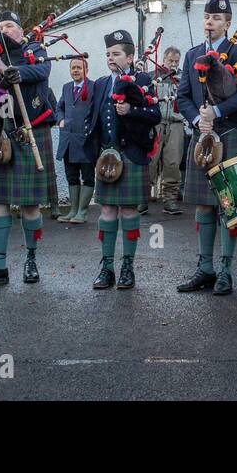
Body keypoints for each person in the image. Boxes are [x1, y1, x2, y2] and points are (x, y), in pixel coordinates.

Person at [174, 0, 237, 296]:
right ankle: (205, 268)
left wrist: (217, 112)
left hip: (230, 131)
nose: (209, 22)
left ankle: (226, 270)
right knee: (203, 204)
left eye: (216, 18)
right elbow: (182, 96)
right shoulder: (192, 54)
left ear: (227, 23)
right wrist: (197, 120)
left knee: (228, 203)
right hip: (203, 134)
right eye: (206, 17)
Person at [0, 10, 57, 288]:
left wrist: (13, 69)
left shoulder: (35, 50)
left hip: (31, 133)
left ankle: (31, 260)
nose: (5, 30)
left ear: (21, 31)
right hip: (1, 136)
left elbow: (42, 70)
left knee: (30, 206)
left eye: (10, 26)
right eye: (1, 26)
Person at [88, 30, 161, 289]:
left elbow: (155, 115)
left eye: (116, 54)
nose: (111, 58)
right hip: (107, 157)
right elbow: (95, 121)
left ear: (130, 57)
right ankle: (107, 267)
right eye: (108, 54)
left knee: (129, 211)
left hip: (131, 153)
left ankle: (127, 266)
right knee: (106, 211)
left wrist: (132, 110)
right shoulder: (99, 84)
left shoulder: (143, 80)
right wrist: (94, 153)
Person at [55, 55, 98, 225]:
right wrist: (60, 119)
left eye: (79, 67)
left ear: (86, 70)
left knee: (87, 177)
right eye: (73, 68)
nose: (76, 71)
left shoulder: (94, 87)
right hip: (68, 141)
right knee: (71, 176)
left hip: (86, 141)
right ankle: (73, 210)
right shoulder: (66, 87)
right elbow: (59, 107)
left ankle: (83, 212)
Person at [151, 46, 185, 216]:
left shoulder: (183, 78)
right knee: (151, 161)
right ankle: (142, 198)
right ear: (163, 59)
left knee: (172, 163)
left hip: (176, 124)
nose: (173, 64)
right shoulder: (153, 76)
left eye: (176, 61)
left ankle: (170, 199)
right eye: (170, 61)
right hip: (156, 123)